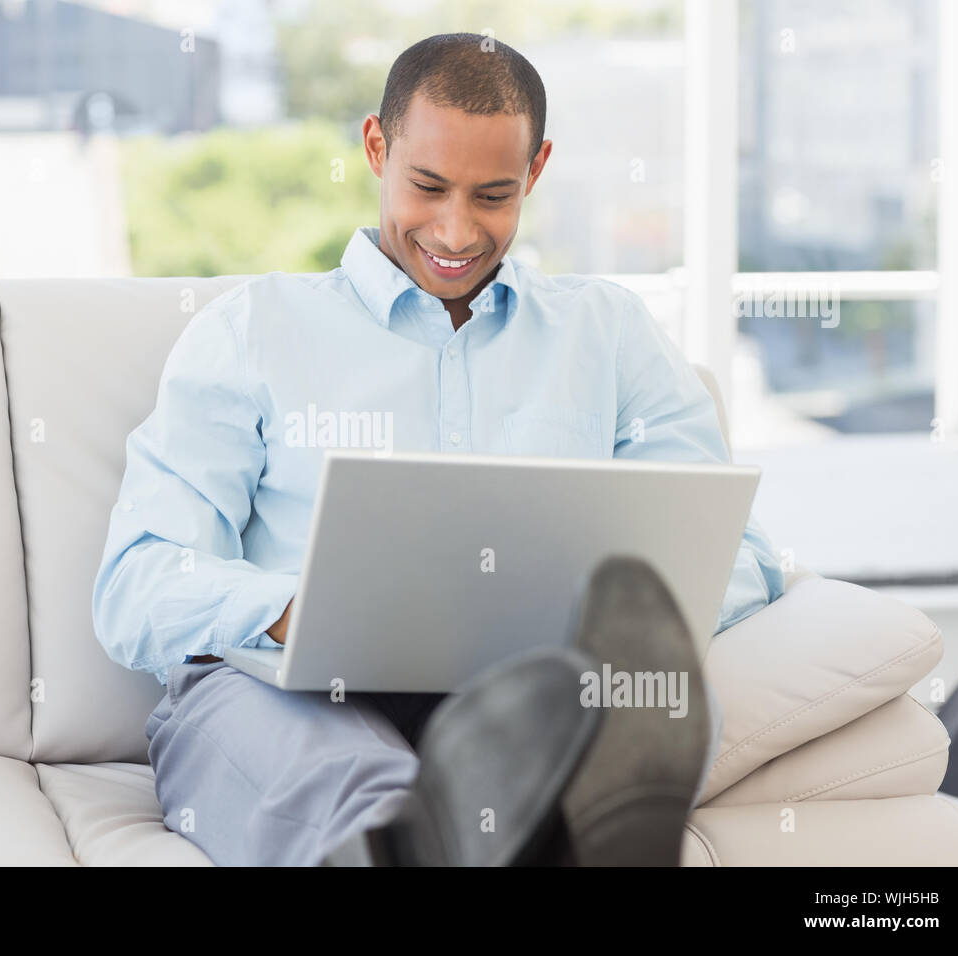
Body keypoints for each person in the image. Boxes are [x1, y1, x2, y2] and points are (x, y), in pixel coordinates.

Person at [92, 32, 786, 866]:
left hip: (518, 695)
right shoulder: (253, 332)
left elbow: (735, 555)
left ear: (535, 172)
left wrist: (587, 621)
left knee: (626, 690)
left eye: (493, 195)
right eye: (428, 187)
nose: (456, 230)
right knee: (348, 777)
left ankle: (532, 809)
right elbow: (137, 582)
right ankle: (448, 835)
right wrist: (296, 608)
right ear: (376, 148)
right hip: (280, 694)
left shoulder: (608, 336)